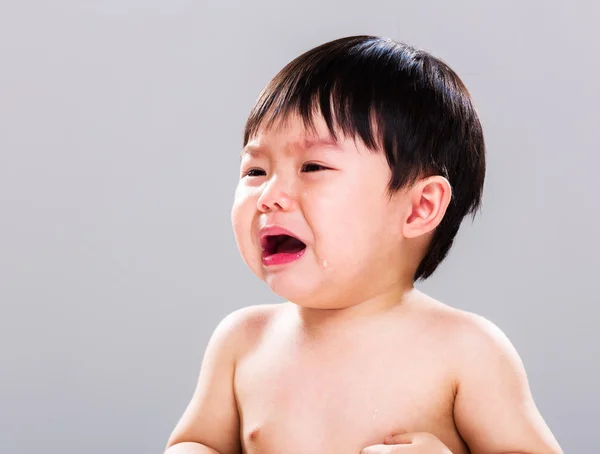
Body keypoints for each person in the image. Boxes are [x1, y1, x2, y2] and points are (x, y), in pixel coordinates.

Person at [164, 35, 562, 454]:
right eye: (256, 171)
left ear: (419, 208)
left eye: (313, 166)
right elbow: (195, 441)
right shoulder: (243, 340)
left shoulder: (466, 350)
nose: (268, 196)